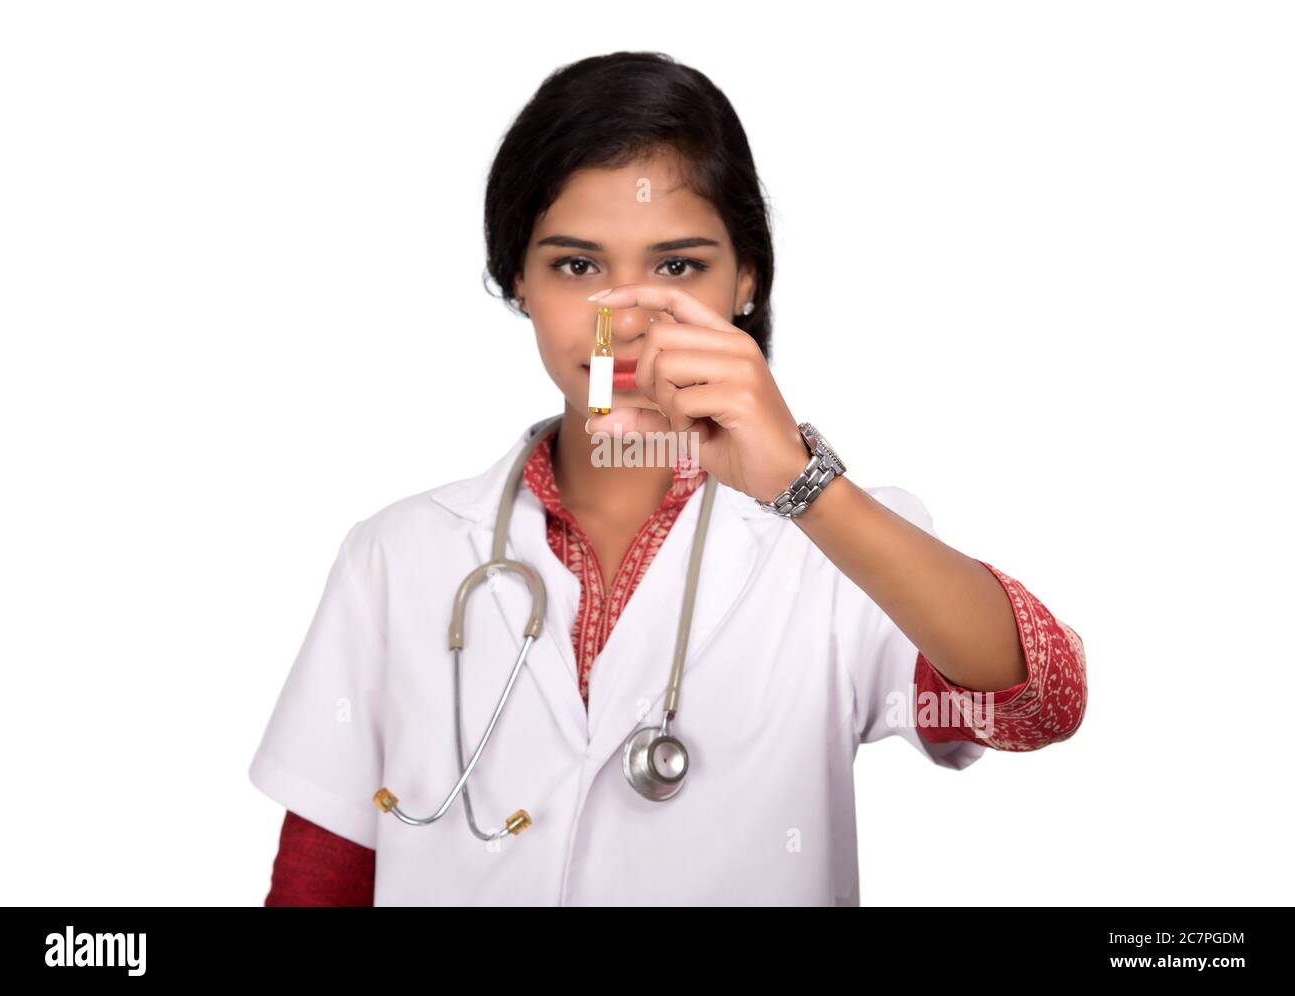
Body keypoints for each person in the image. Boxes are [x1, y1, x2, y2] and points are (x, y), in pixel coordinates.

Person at [250, 51, 1087, 907]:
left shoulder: (837, 542)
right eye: (577, 266)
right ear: (517, 283)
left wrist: (800, 483)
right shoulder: (398, 553)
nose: (627, 316)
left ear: (747, 282)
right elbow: (321, 882)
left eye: (678, 266)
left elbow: (1041, 701)